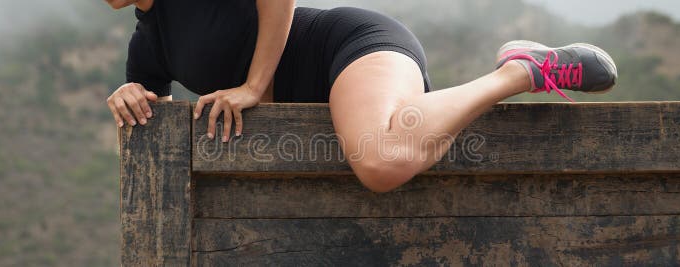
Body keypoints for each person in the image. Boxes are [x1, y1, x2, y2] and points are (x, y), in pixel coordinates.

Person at [104, 0, 617, 192]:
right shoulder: (148, 48)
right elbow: (162, 126)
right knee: (383, 152)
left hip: (349, 46)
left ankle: (522, 73)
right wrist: (131, 96)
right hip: (335, 97)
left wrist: (254, 87)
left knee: (380, 161)